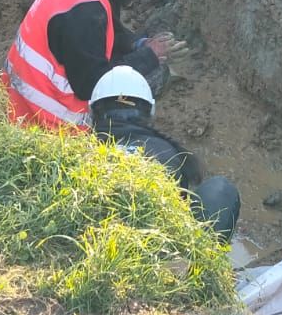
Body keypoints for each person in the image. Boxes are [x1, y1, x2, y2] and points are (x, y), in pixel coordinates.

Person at [1, 0, 185, 132]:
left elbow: (108, 30)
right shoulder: (86, 13)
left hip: (19, 95)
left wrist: (140, 45)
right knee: (140, 87)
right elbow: (92, 84)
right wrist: (149, 57)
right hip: (42, 119)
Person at [91, 66, 241, 241]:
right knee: (220, 189)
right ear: (150, 111)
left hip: (92, 249)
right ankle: (203, 261)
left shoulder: (76, 151)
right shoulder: (168, 152)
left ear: (93, 112)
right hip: (157, 254)